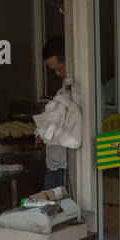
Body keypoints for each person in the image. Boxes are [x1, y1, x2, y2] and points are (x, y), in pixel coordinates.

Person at [40, 36, 81, 192]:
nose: (57, 73)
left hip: (67, 165)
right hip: (54, 163)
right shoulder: (67, 82)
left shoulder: (85, 87)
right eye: (54, 69)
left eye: (59, 68)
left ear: (69, 60)